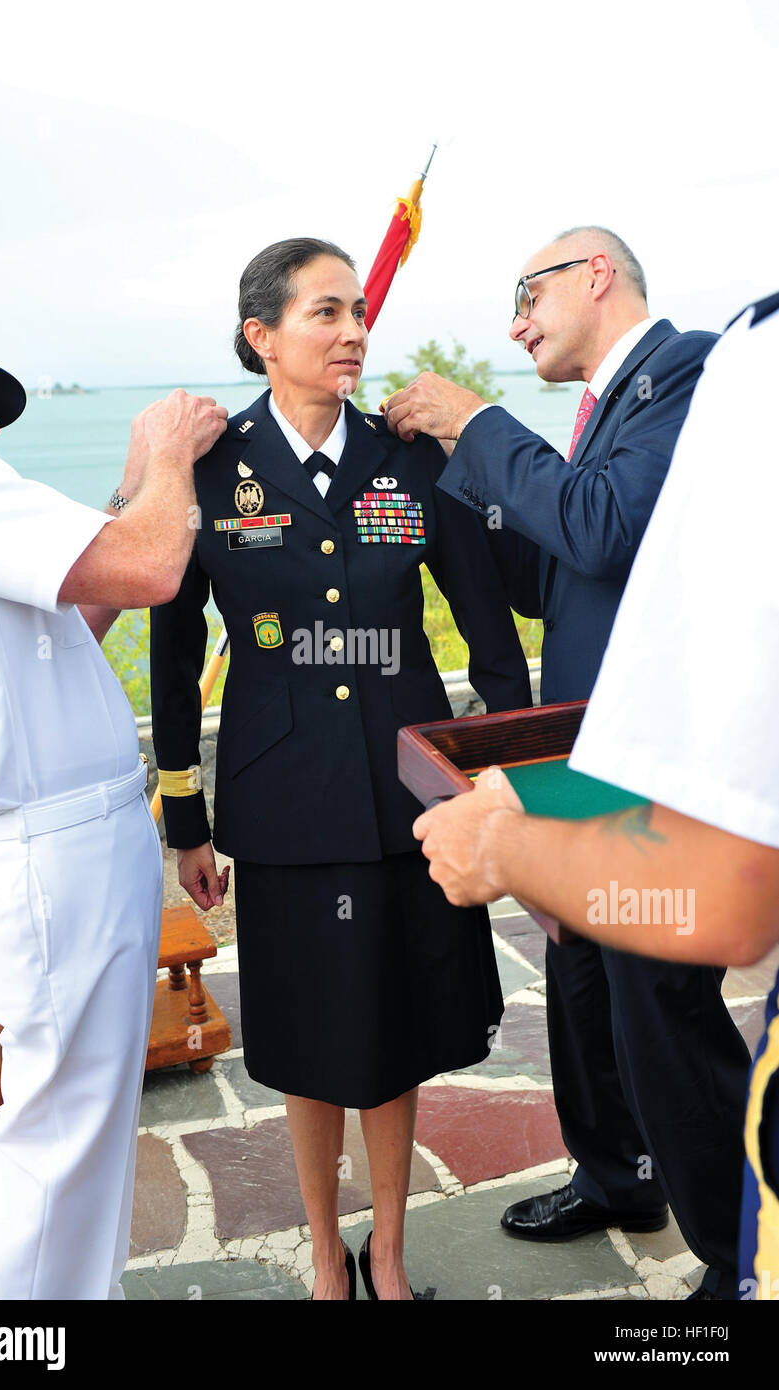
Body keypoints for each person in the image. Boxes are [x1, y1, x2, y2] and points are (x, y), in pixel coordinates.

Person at [149, 237, 532, 1300]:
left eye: (358, 309)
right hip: (283, 800)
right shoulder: (213, 471)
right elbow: (175, 659)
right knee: (308, 1029)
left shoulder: (412, 459)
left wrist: (514, 774)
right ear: (260, 337)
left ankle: (392, 1252)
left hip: (410, 796)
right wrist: (187, 818)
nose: (355, 329)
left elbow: (487, 630)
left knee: (398, 1024)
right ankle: (327, 1252)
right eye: (325, 312)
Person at [383, 227, 750, 1300]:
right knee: (585, 981)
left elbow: (599, 528)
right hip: (590, 749)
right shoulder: (597, 418)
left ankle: (743, 1248)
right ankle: (619, 1172)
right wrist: (449, 472)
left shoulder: (685, 372)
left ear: (596, 274)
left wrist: (479, 422)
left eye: (526, 293)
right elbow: (551, 578)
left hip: (665, 760)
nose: (514, 322)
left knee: (658, 1001)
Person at [0, 274, 227, 1299]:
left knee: (73, 1132)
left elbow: (73, 619)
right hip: (52, 854)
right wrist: (169, 454)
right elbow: (149, 569)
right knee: (60, 1144)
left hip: (37, 849)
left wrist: (131, 489)